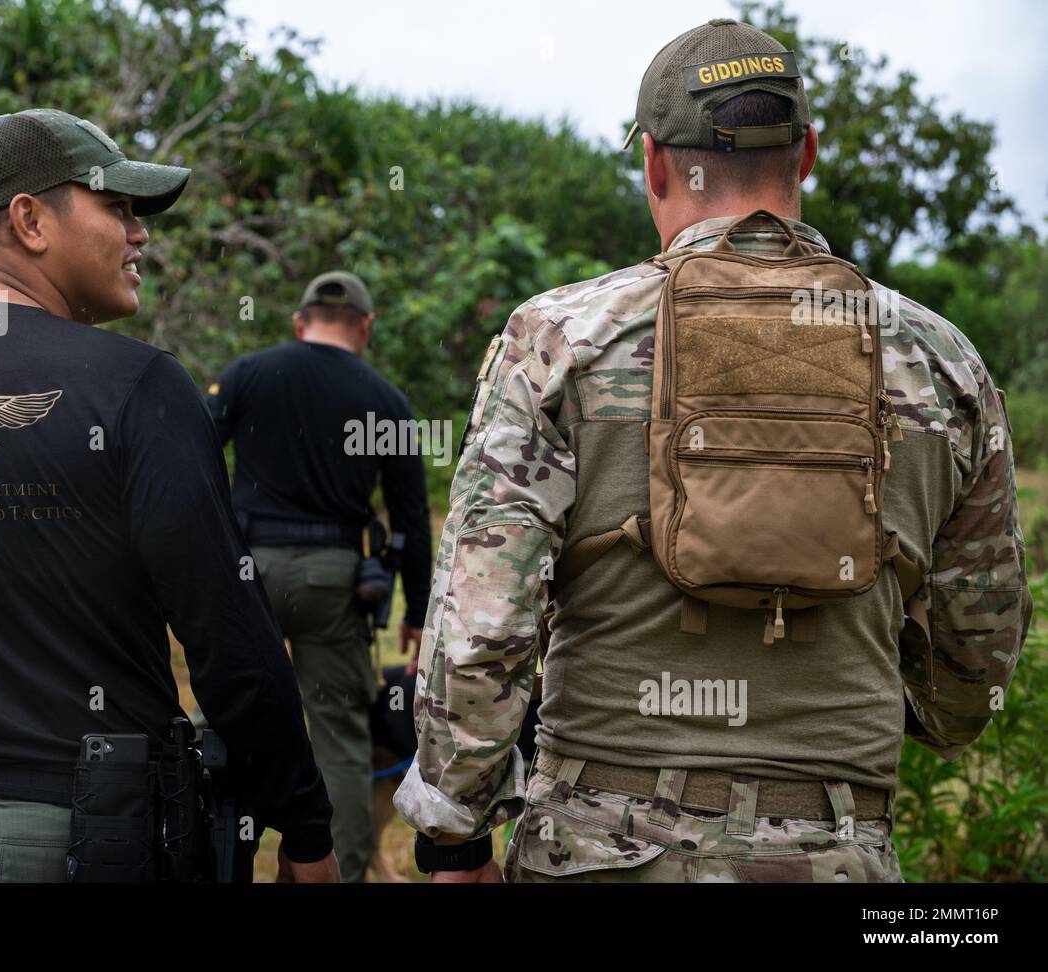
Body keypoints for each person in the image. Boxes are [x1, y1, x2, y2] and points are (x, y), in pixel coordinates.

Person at [395, 19, 1032, 883]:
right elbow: (974, 666)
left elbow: (479, 631)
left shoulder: (559, 343)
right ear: (805, 154)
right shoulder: (944, 362)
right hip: (840, 854)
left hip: (595, 851)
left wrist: (455, 833)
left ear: (655, 162)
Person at [0, 108, 338, 883]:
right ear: (30, 221)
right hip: (85, 840)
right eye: (116, 206)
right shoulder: (139, 389)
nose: (139, 234)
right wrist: (308, 832)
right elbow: (229, 641)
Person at [207, 271, 433, 882]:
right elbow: (410, 513)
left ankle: (196, 855)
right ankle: (340, 874)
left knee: (220, 717)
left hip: (246, 572)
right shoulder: (386, 400)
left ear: (300, 322)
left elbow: (194, 456)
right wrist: (417, 615)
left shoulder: (248, 373)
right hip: (336, 582)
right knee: (339, 737)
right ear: (365, 327)